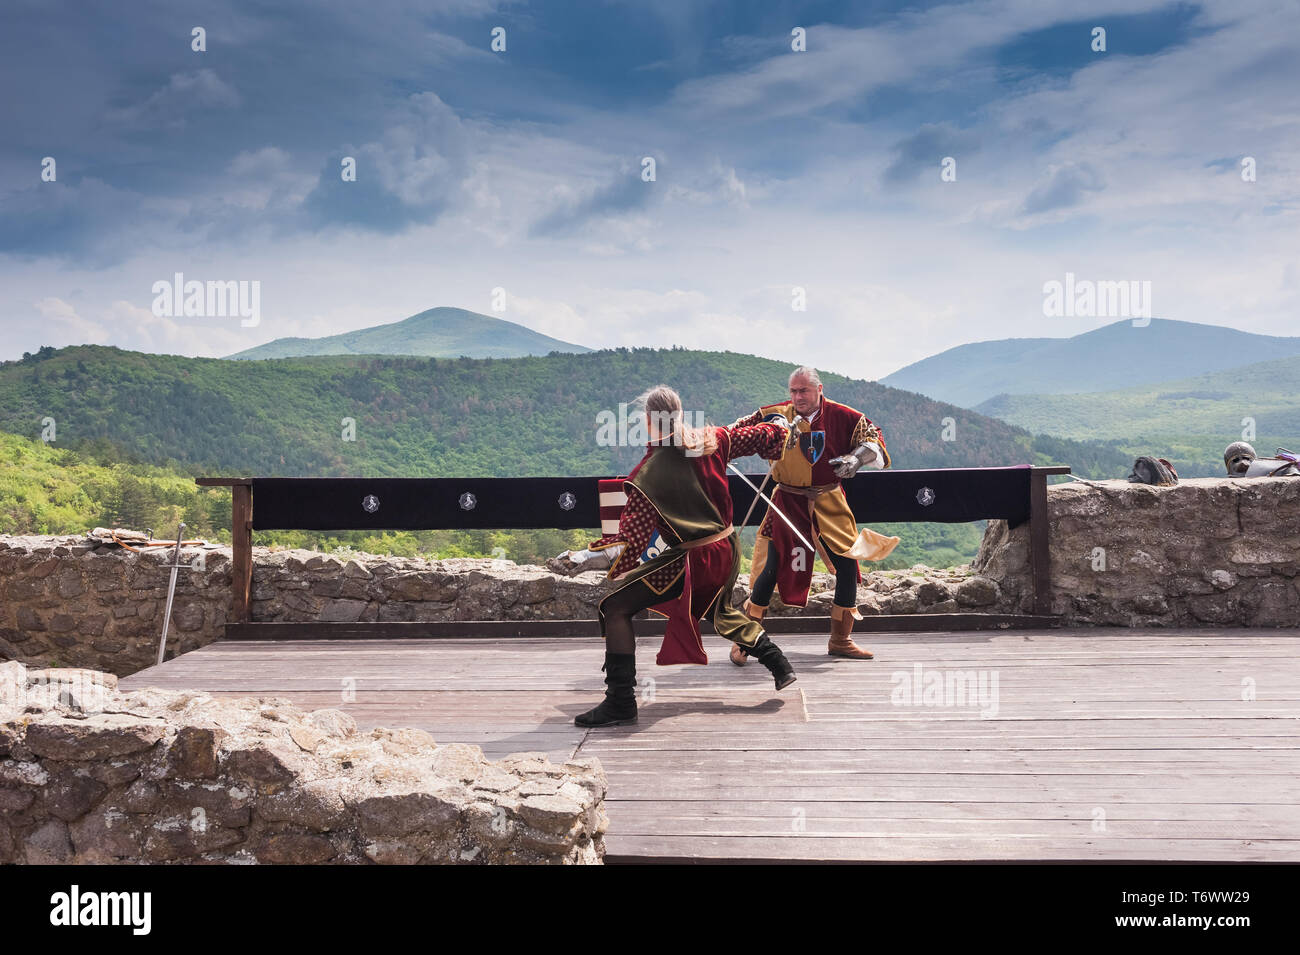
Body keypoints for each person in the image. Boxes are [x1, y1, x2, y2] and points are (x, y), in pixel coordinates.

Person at [561, 385, 797, 727]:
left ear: (647, 420)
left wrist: (582, 557)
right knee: (717, 609)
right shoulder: (713, 439)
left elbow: (628, 544)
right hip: (727, 549)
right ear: (680, 414)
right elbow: (761, 435)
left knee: (615, 608)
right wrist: (779, 424)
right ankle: (778, 662)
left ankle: (620, 702)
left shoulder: (648, 474)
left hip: (695, 560)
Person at [730, 366, 899, 663]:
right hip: (786, 501)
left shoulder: (845, 416)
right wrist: (709, 445)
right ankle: (745, 641)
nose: (798, 397)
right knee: (771, 569)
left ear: (819, 390)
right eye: (793, 391)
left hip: (828, 501)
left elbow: (874, 440)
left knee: (847, 566)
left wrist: (855, 459)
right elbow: (735, 432)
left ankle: (841, 640)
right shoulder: (773, 415)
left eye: (804, 391)